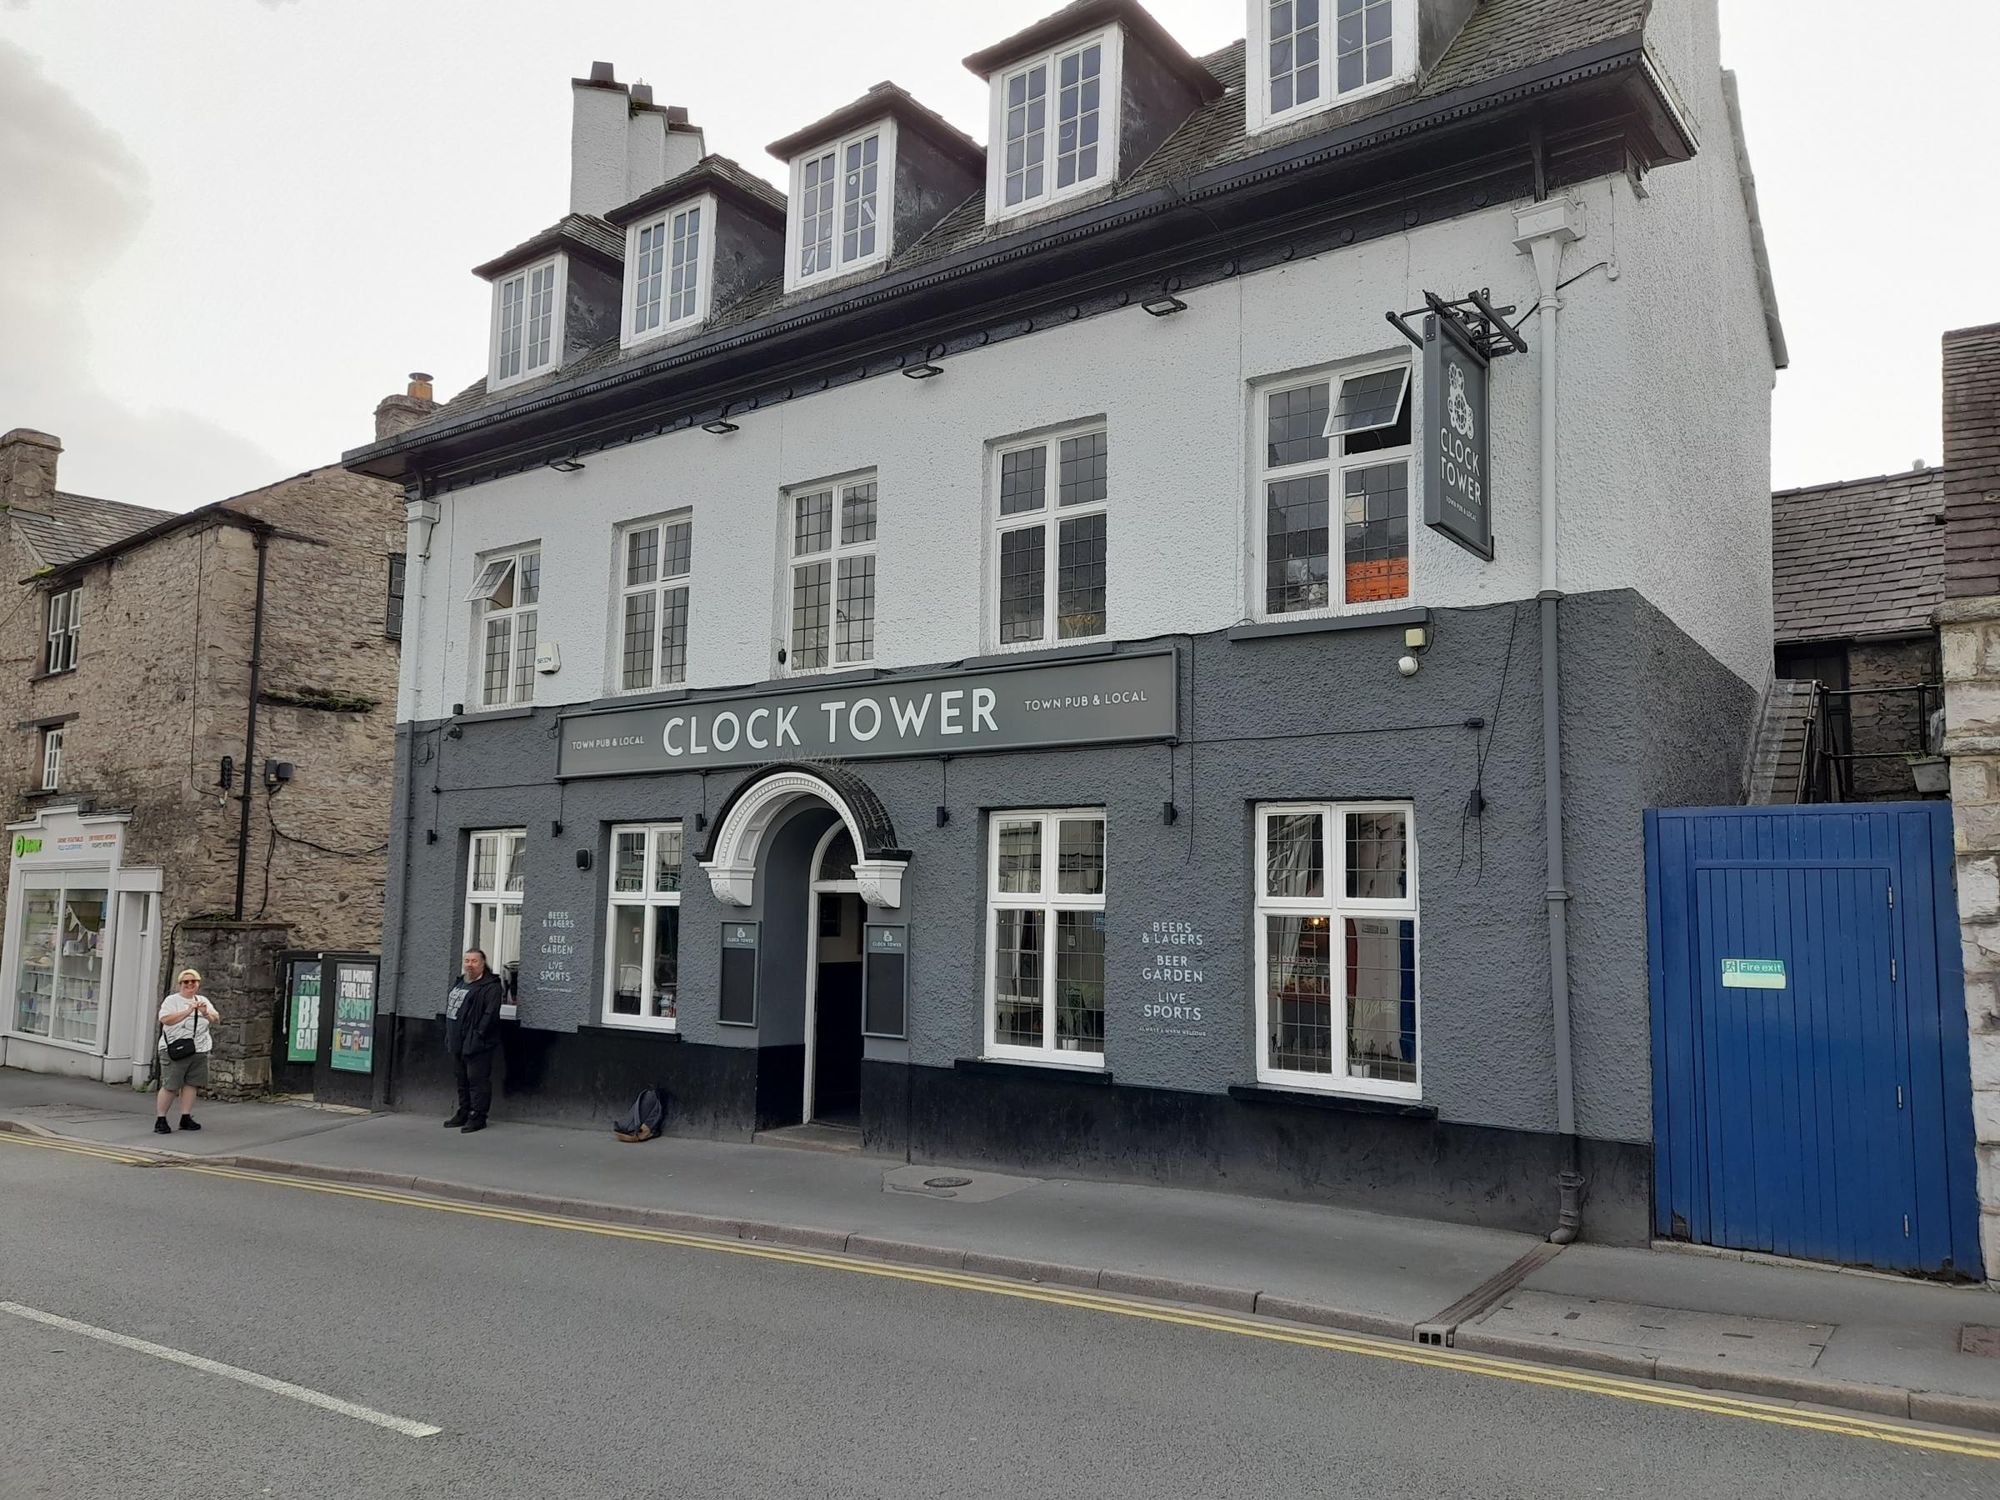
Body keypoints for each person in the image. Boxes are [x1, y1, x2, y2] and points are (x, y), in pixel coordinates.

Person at [443, 949, 505, 1133]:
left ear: (483, 964)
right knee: (461, 1079)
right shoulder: (461, 982)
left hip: (478, 1043)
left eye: (474, 961)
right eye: (467, 960)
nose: (469, 964)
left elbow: (490, 1014)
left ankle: (478, 1116)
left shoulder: (491, 986)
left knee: (477, 1081)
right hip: (457, 1041)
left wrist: (478, 1034)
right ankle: (464, 1111)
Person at [156, 969, 220, 1134]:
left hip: (199, 1049)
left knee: (192, 1083)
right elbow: (165, 1020)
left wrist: (205, 1012)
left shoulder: (202, 1000)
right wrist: (188, 1011)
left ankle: (186, 1117)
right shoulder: (172, 1001)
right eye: (186, 982)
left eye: (194, 981)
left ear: (198, 984)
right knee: (171, 1085)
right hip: (176, 1048)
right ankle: (161, 1119)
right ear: (180, 984)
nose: (190, 984)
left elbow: (216, 1019)